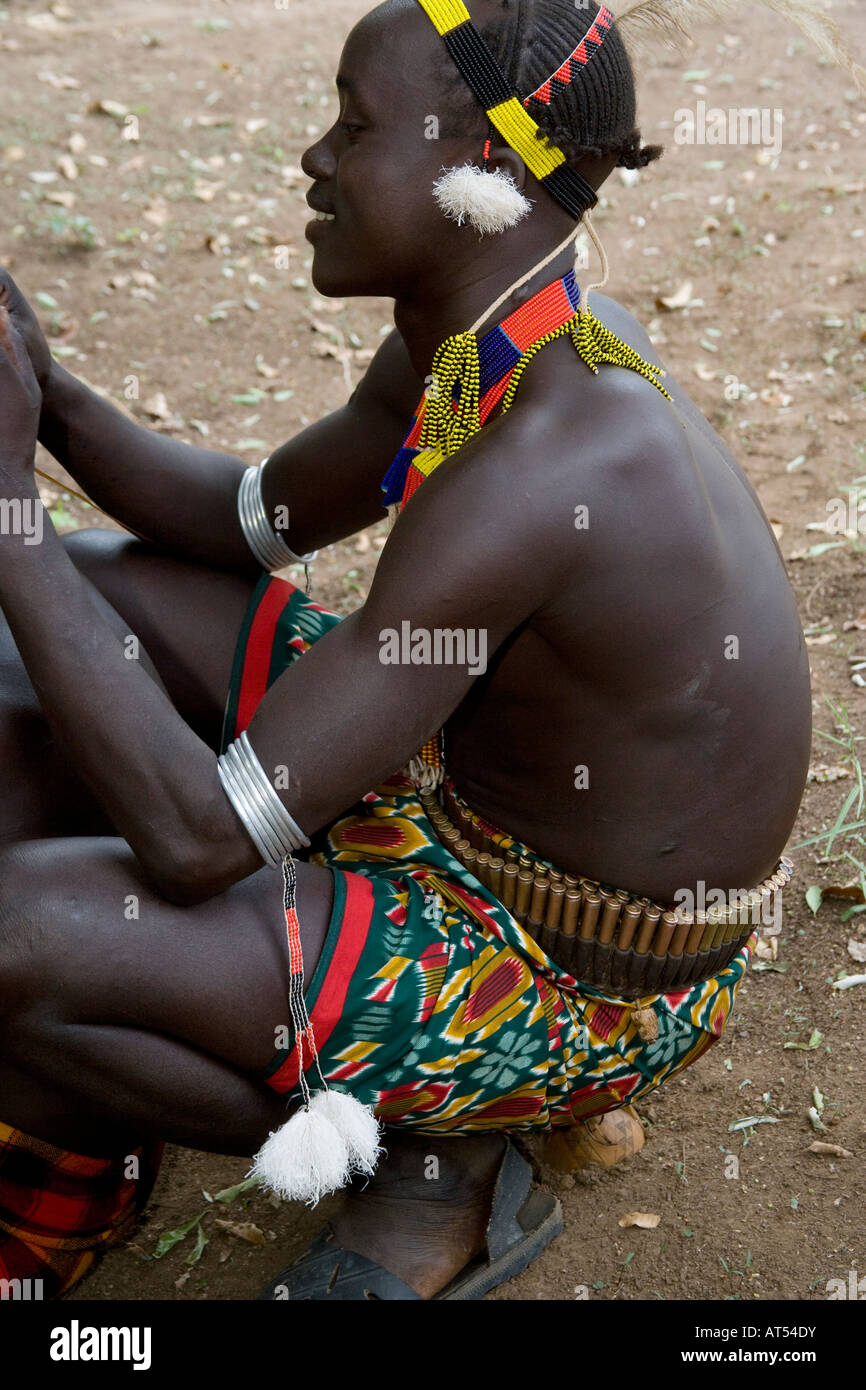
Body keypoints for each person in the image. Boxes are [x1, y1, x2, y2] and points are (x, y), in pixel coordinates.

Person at [0, 0, 817, 1301]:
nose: (314, 158)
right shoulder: (493, 344)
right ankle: (86, 1081)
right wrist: (44, 389)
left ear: (480, 170)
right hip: (468, 823)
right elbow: (241, 519)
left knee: (26, 932)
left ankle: (437, 1153)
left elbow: (199, 842)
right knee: (73, 607)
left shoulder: (545, 460)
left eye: (354, 125)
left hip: (576, 979)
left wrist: (9, 505)